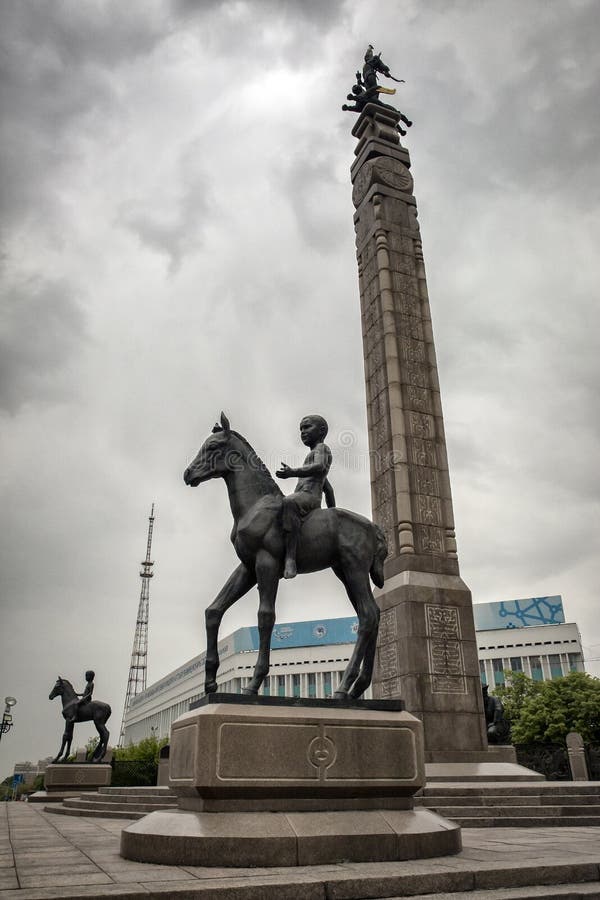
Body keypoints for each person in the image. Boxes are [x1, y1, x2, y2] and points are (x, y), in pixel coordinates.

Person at [276, 416, 335, 579]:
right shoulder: (312, 455)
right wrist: (333, 512)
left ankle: (290, 558)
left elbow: (319, 466)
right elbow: (328, 489)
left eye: (307, 427)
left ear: (321, 431)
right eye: (301, 429)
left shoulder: (322, 448)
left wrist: (292, 472)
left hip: (309, 498)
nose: (303, 432)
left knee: (288, 501)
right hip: (303, 497)